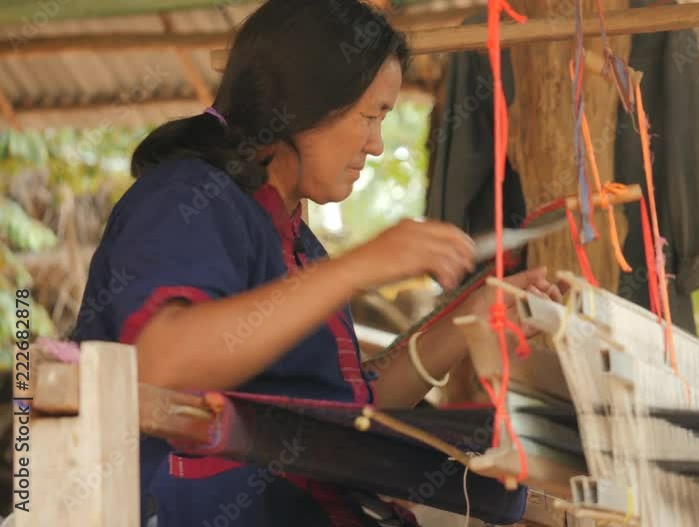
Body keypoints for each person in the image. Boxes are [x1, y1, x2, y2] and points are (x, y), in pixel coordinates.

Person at [69, 1, 561, 525]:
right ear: (302, 105)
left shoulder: (298, 243)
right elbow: (161, 366)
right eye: (369, 117)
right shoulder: (188, 198)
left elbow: (349, 408)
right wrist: (355, 268)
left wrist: (469, 323)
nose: (376, 144)